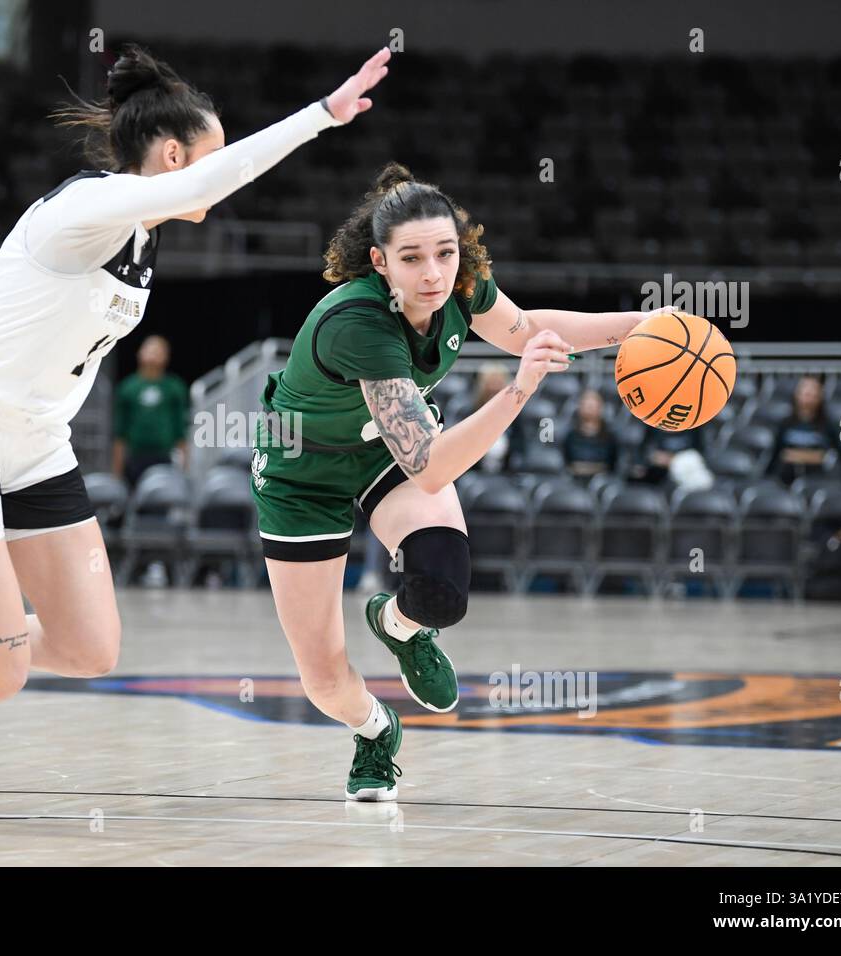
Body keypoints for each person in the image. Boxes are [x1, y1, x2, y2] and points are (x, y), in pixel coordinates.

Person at [0, 43, 393, 827]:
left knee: (89, 648)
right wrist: (323, 114)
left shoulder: (141, 235)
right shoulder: (91, 205)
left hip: (37, 442)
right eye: (205, 159)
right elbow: (209, 182)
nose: (210, 180)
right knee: (4, 668)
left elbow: (44, 310)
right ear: (176, 155)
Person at [249, 163, 674, 801]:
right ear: (380, 261)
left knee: (442, 587)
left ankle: (396, 624)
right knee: (324, 679)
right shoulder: (357, 324)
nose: (433, 274)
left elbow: (528, 330)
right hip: (301, 475)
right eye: (412, 258)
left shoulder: (459, 285)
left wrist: (636, 328)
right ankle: (374, 731)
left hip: (382, 454)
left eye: (445, 253)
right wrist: (522, 388)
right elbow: (433, 466)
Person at [111, 334, 189, 486]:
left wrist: (184, 468)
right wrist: (116, 472)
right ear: (139, 353)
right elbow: (120, 433)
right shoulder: (127, 388)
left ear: (166, 357)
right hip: (135, 459)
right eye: (150, 350)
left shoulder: (174, 387)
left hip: (165, 457)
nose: (153, 355)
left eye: (158, 351)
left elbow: (181, 431)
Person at [767, 375, 841, 485]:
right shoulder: (785, 424)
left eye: (813, 394)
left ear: (819, 397)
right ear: (797, 395)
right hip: (787, 478)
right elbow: (776, 454)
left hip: (816, 479)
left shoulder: (827, 425)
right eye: (806, 393)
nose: (808, 398)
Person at [562, 388, 618, 478]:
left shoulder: (610, 438)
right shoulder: (571, 436)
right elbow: (567, 464)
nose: (589, 408)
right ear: (580, 408)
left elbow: (612, 465)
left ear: (600, 408)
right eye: (586, 405)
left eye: (592, 405)